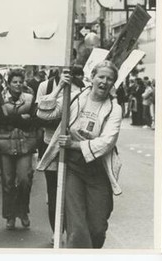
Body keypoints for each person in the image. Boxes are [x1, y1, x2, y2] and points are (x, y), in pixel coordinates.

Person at [37, 61, 123, 249]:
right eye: (101, 76)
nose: (104, 82)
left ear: (113, 84)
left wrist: (75, 144)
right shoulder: (75, 97)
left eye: (109, 79)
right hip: (73, 169)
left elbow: (107, 141)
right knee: (77, 228)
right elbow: (44, 113)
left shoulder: (114, 109)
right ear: (92, 78)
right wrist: (59, 87)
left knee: (97, 228)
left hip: (97, 170)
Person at [35, 66, 85, 241]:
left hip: (72, 146)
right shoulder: (45, 86)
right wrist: (58, 89)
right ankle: (56, 231)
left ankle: (71, 231)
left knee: (72, 192)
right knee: (54, 191)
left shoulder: (82, 85)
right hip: (51, 145)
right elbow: (41, 113)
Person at [0, 68, 39, 230]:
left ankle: (23, 211)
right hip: (6, 145)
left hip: (25, 144)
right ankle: (10, 216)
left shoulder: (30, 98)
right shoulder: (1, 98)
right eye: (14, 82)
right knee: (8, 182)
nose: (18, 85)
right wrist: (21, 118)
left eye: (20, 82)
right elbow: (1, 119)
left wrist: (14, 119)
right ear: (9, 83)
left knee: (25, 179)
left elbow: (33, 120)